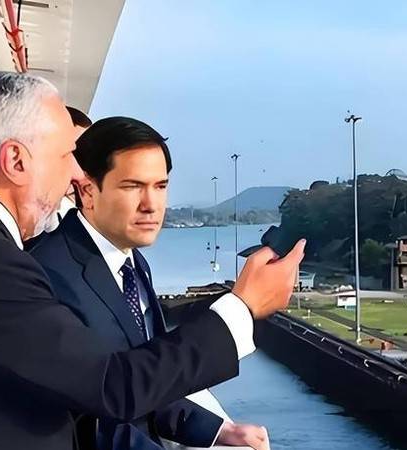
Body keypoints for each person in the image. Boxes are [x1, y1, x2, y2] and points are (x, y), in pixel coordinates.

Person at [0, 71, 304, 450]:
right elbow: (109, 387)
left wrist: (211, 428)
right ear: (16, 161)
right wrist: (242, 307)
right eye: (66, 154)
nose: (75, 173)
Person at [30, 117, 269, 450]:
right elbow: (89, 415)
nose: (151, 205)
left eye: (160, 186)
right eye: (132, 186)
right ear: (88, 191)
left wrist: (217, 431)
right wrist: (243, 306)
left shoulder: (133, 262)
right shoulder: (47, 272)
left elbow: (148, 380)